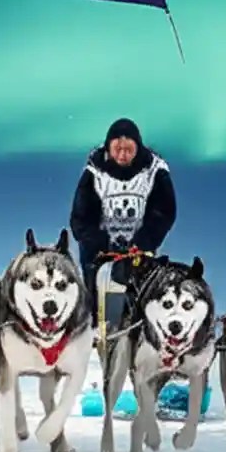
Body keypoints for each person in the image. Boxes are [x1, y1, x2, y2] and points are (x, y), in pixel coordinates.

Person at [69, 117, 177, 331]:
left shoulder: (155, 171)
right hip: (99, 248)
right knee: (98, 290)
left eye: (129, 149)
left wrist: (145, 241)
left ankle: (137, 330)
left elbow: (165, 211)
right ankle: (93, 330)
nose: (122, 155)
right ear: (109, 147)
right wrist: (98, 243)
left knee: (139, 291)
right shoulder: (94, 172)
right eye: (117, 148)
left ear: (138, 147)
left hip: (140, 246)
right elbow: (80, 216)